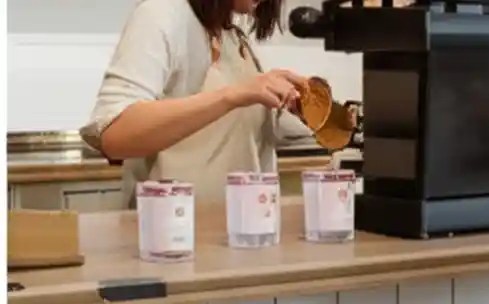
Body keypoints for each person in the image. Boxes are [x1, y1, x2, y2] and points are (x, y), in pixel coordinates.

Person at [80, 0, 316, 207]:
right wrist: (232, 96)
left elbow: (240, 132)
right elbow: (115, 134)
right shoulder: (161, 15)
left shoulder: (232, 35)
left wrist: (302, 108)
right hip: (170, 236)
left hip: (245, 232)